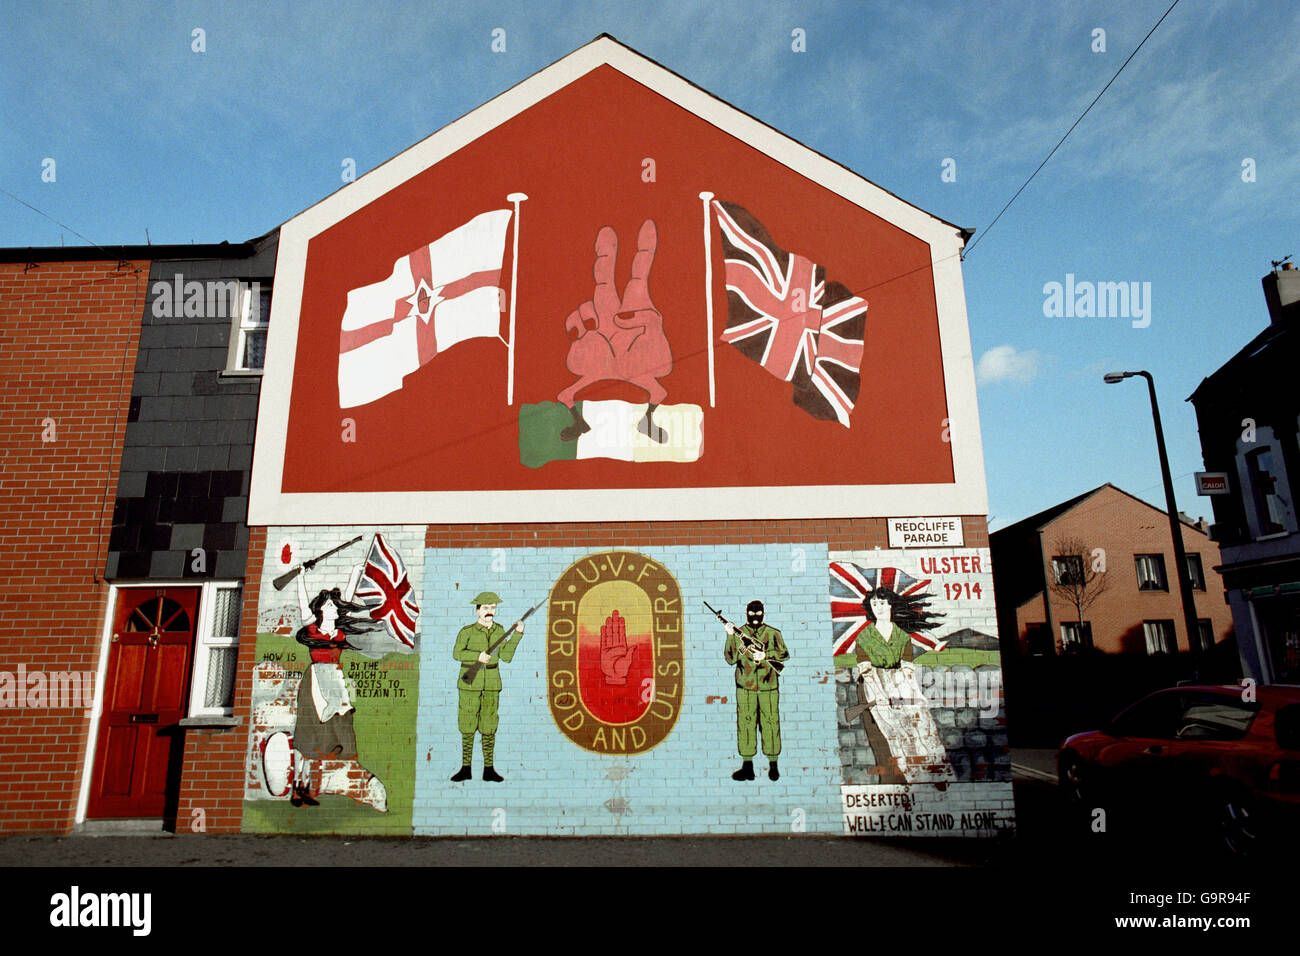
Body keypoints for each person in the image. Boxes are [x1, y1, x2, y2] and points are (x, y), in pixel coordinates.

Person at [834, 584, 951, 784]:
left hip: (900, 683)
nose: (877, 607)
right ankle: (911, 777)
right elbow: (866, 669)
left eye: (881, 603)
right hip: (874, 685)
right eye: (874, 603)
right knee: (894, 733)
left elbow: (907, 669)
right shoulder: (864, 636)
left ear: (890, 605)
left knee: (922, 726)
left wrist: (914, 693)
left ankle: (935, 773)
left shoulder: (902, 636)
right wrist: (879, 694)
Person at [293, 567, 389, 810]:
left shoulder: (339, 632)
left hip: (335, 680)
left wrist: (355, 573)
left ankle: (315, 784)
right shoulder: (312, 628)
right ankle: (298, 787)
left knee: (339, 729)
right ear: (320, 610)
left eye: (334, 606)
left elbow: (347, 597)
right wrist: (300, 576)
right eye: (328, 606)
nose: (334, 608)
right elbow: (303, 603)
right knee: (309, 735)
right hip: (316, 680)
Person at [451, 592, 525, 782]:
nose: (489, 612)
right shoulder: (466, 631)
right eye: (485, 608)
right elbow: (457, 653)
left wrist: (517, 635)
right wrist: (477, 656)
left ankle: (488, 769)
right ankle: (466, 768)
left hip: (491, 684)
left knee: (489, 726)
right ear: (477, 611)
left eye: (492, 608)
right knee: (467, 725)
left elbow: (506, 656)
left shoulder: (500, 631)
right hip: (470, 685)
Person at [722, 600, 789, 781]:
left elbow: (784, 654)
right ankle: (747, 766)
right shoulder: (739, 634)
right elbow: (730, 659)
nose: (755, 618)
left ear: (763, 613)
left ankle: (773, 765)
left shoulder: (773, 633)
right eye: (751, 614)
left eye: (758, 614)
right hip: (746, 687)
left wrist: (766, 655)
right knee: (746, 724)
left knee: (771, 723)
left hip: (768, 686)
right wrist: (730, 635)